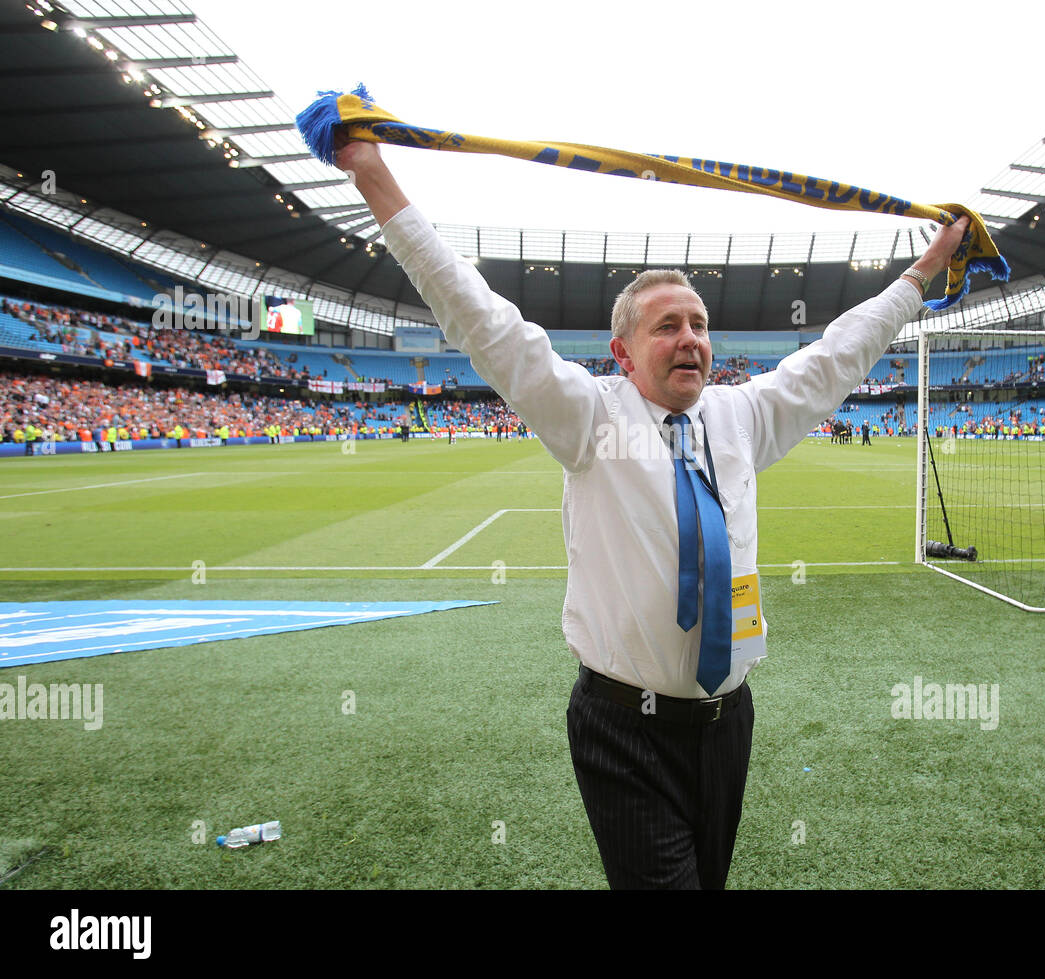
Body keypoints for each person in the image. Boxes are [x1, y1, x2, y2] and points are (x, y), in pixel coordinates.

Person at [337, 138, 968, 889]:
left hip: (728, 722)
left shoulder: (743, 416)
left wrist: (925, 271)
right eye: (667, 325)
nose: (690, 339)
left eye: (698, 324)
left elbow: (837, 357)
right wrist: (372, 174)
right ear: (623, 352)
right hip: (623, 730)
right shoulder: (587, 416)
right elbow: (481, 320)